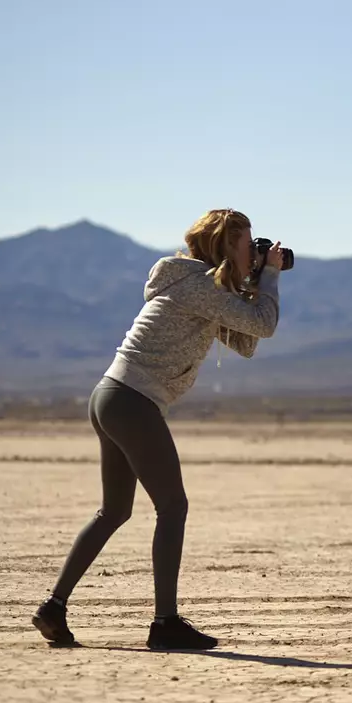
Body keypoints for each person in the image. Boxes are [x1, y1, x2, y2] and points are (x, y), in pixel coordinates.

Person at [31, 209, 285, 650]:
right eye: (248, 246)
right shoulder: (200, 284)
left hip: (113, 395)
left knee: (114, 511)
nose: (254, 253)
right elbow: (263, 324)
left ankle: (53, 607)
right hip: (132, 402)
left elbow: (244, 343)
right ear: (227, 245)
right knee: (173, 506)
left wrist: (251, 283)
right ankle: (165, 623)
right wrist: (272, 279)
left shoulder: (200, 288)